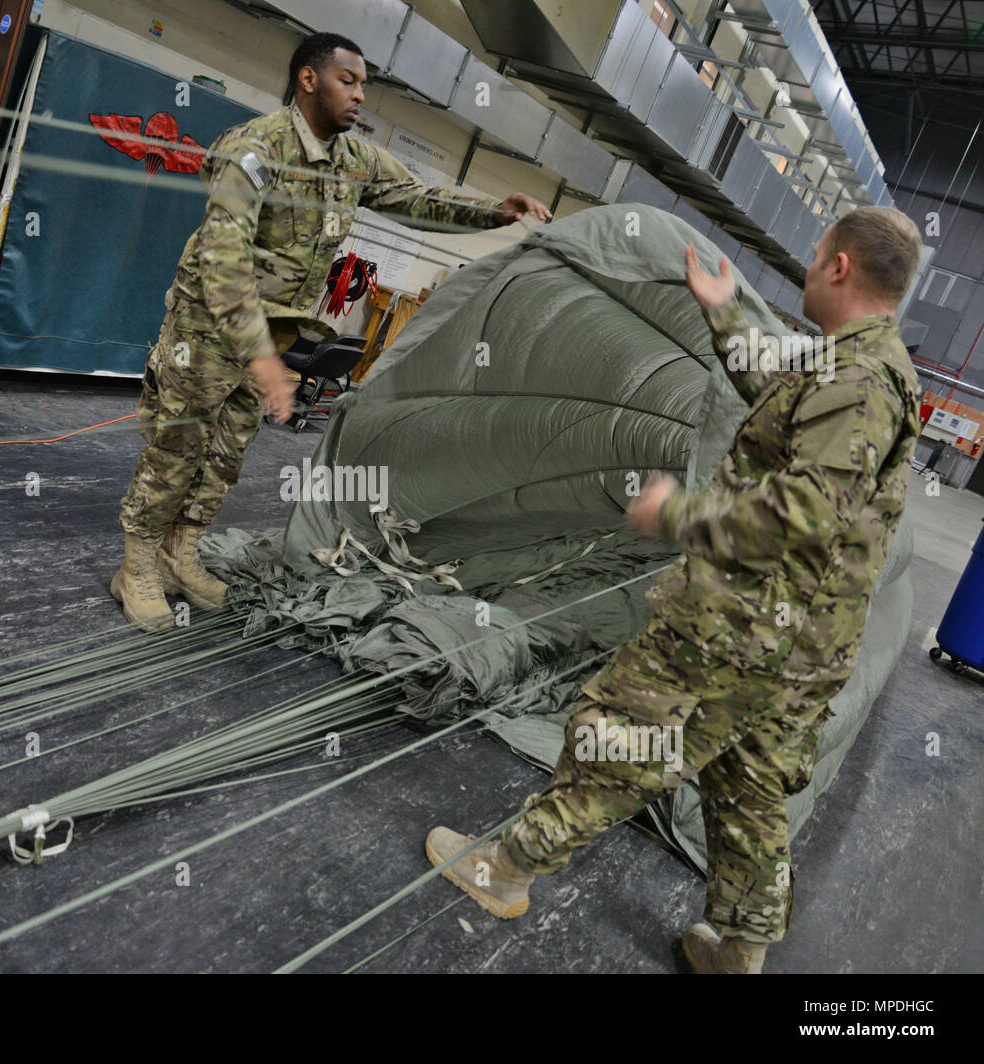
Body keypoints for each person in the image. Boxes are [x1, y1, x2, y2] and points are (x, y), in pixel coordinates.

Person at [425, 206, 925, 973]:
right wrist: (723, 314)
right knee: (749, 785)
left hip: (743, 630)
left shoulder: (858, 378)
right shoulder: (863, 365)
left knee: (623, 738)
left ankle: (507, 868)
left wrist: (681, 514)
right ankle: (740, 951)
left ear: (840, 267)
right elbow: (780, 401)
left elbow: (808, 513)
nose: (807, 265)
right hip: (800, 648)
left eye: (815, 251)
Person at [112, 31, 551, 631]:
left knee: (226, 454)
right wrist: (263, 359)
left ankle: (179, 554)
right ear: (308, 79)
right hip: (211, 329)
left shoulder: (353, 162)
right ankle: (136, 567)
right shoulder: (255, 149)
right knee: (177, 447)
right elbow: (223, 260)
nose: (361, 96)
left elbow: (414, 198)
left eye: (364, 84)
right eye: (350, 80)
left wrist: (495, 211)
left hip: (274, 334)